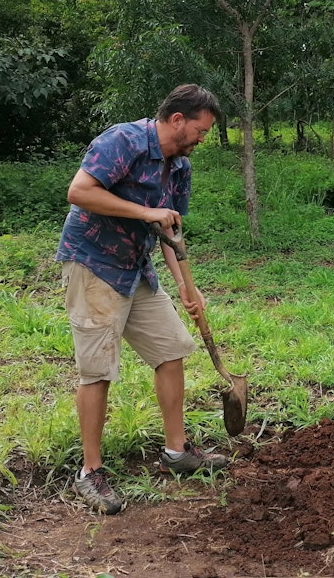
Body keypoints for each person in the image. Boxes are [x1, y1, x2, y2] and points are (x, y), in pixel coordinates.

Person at [56, 84, 228, 515]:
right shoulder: (123, 141)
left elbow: (170, 228)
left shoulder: (180, 165)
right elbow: (79, 192)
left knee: (171, 350)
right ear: (177, 120)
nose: (203, 138)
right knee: (96, 370)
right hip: (94, 263)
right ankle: (90, 473)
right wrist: (144, 212)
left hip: (137, 270)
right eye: (200, 129)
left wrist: (186, 284)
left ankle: (177, 452)